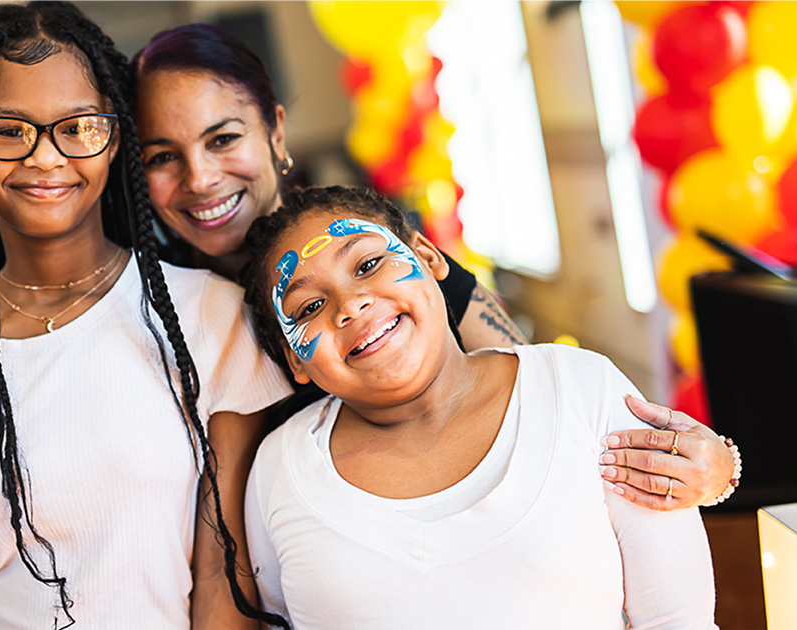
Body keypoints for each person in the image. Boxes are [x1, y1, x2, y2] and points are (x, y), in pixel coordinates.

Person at [0, 22, 735, 523]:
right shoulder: (157, 288)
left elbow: (534, 397)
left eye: (225, 139)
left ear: (275, 130)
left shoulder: (370, 257)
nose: (200, 180)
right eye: (163, 156)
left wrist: (712, 460)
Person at [0, 3, 291, 627]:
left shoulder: (210, 315)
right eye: (7, 128)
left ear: (114, 144)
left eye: (78, 127)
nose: (45, 157)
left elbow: (226, 579)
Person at [239, 186, 717, 628]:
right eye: (308, 308)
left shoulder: (580, 389)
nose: (351, 305)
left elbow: (678, 619)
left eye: (366, 266)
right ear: (293, 361)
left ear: (427, 257)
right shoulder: (279, 470)